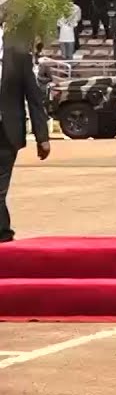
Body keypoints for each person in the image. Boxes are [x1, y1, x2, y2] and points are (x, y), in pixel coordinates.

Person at [0, 17, 52, 241]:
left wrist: (42, 137)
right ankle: (4, 232)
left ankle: (3, 233)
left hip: (7, 132)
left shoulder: (19, 58)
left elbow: (34, 98)